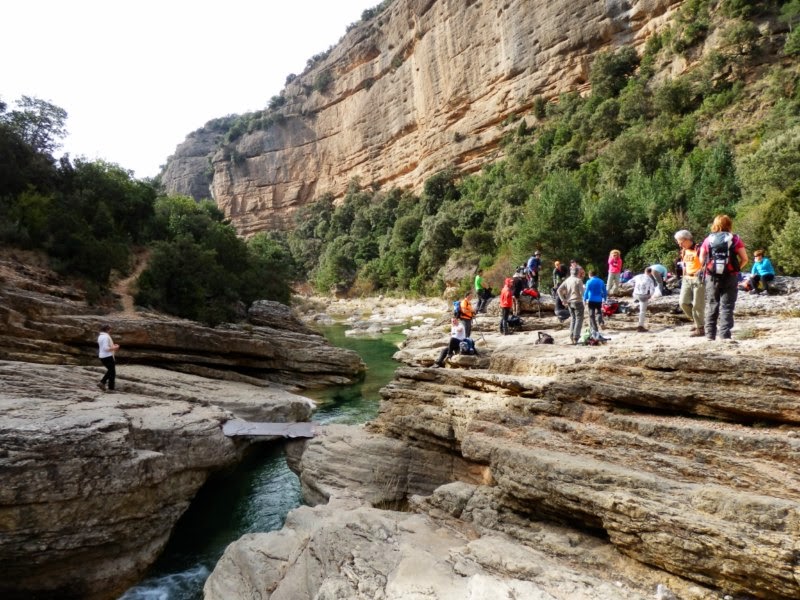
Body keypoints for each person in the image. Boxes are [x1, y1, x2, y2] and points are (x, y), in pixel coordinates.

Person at [699, 214, 748, 342]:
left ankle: (710, 335)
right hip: (730, 276)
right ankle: (724, 335)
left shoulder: (708, 239)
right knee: (727, 306)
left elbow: (701, 259)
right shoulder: (736, 239)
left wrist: (709, 268)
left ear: (715, 224)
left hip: (712, 276)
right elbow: (745, 259)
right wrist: (736, 269)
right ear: (729, 224)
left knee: (712, 304)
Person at [674, 230, 706, 337]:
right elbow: (685, 264)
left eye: (680, 241)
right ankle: (697, 321)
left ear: (687, 239)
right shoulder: (684, 250)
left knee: (698, 304)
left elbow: (707, 262)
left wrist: (701, 271)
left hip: (698, 279)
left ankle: (700, 328)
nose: (679, 244)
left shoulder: (699, 248)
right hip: (687, 278)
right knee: (683, 302)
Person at [557, 266, 585, 344]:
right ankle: (576, 337)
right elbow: (582, 293)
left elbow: (559, 290)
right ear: (578, 273)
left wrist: (563, 299)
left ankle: (571, 336)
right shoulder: (578, 280)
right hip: (577, 301)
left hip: (569, 302)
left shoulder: (567, 280)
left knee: (573, 319)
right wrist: (585, 301)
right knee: (579, 319)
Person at [629, 267, 656, 332]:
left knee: (636, 297)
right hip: (643, 296)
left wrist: (635, 286)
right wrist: (650, 295)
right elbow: (652, 290)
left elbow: (630, 282)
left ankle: (636, 300)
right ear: (650, 273)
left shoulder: (638, 276)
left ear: (644, 271)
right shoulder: (650, 279)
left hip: (635, 294)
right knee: (642, 311)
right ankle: (640, 326)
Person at [583, 270, 607, 334]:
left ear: (589, 275)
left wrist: (584, 299)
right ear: (596, 275)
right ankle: (601, 322)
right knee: (599, 312)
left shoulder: (589, 281)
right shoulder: (601, 281)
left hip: (591, 299)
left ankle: (595, 328)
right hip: (599, 299)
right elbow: (604, 291)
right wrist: (605, 298)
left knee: (591, 315)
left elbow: (586, 291)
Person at [97, 324, 120, 391]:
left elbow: (105, 346)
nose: (111, 330)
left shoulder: (100, 336)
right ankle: (102, 382)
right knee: (111, 371)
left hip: (102, 356)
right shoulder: (105, 337)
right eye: (110, 329)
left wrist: (112, 346)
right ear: (107, 330)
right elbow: (106, 348)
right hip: (107, 356)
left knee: (112, 372)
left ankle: (110, 388)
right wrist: (115, 347)